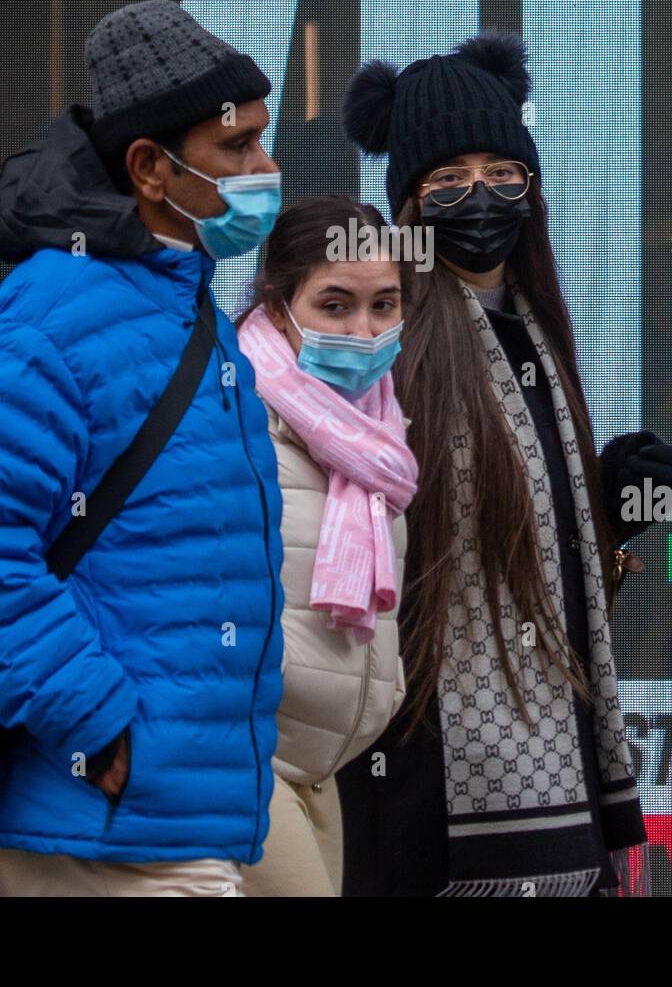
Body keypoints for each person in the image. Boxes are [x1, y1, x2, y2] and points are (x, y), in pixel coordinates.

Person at [0, 0, 285, 897]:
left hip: (158, 818)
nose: (267, 169)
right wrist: (101, 728)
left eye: (263, 142)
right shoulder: (52, 316)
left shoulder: (177, 305)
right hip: (103, 822)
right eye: (238, 148)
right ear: (151, 168)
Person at [336, 30, 672, 897]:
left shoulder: (532, 324)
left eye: (503, 171)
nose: (480, 193)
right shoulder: (383, 335)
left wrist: (604, 506)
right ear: (410, 199)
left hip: (555, 751)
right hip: (423, 769)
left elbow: (533, 552)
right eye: (448, 178)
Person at [234, 196, 419, 896]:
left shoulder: (379, 433)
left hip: (320, 770)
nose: (365, 331)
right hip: (246, 760)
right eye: (335, 305)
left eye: (385, 304)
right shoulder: (235, 420)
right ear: (280, 308)